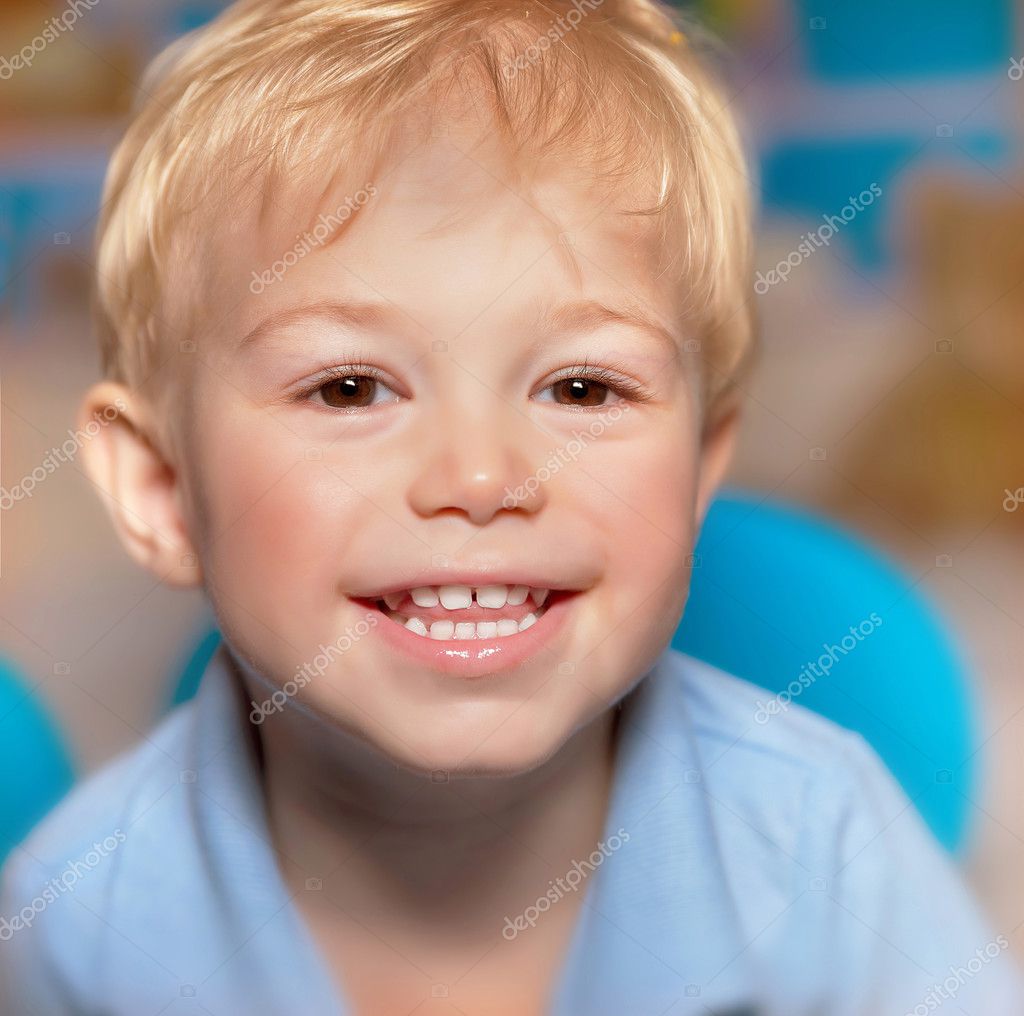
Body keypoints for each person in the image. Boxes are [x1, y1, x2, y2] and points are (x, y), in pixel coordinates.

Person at [1, 1, 1020, 1013]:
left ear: (700, 467)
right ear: (161, 489)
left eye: (581, 387)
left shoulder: (818, 842)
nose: (483, 478)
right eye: (349, 389)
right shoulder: (81, 923)